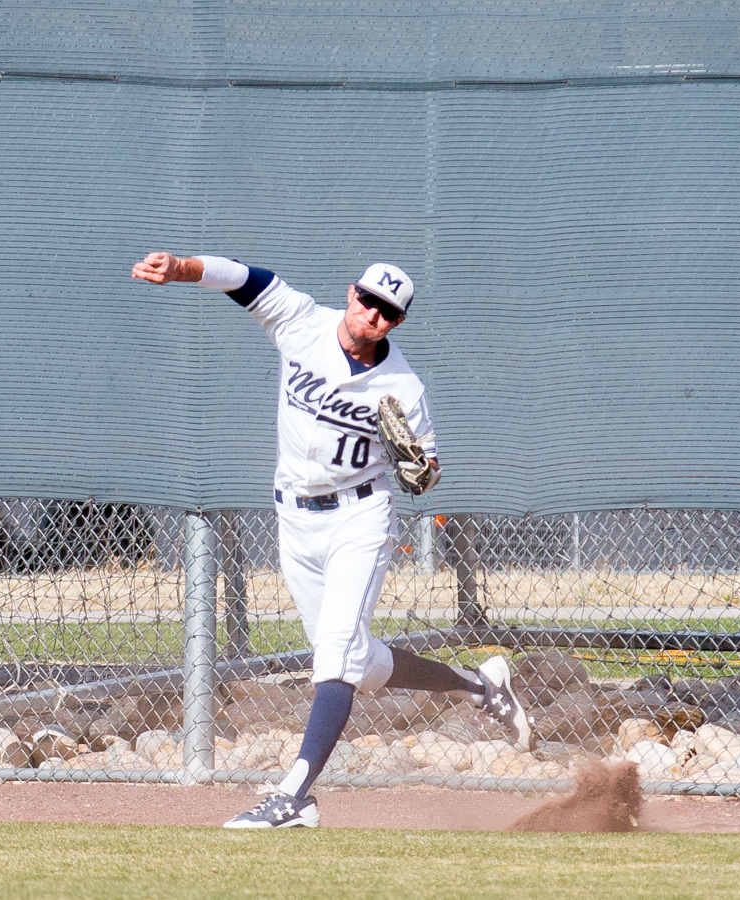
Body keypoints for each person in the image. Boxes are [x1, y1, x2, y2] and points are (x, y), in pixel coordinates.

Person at [131, 252, 532, 829]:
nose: (372, 315)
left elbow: (426, 471)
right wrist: (184, 267)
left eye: (386, 312)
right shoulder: (301, 322)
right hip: (294, 520)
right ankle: (479, 685)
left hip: (359, 521)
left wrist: (421, 470)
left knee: (336, 658)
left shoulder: (402, 386)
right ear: (351, 293)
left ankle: (294, 795)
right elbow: (247, 279)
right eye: (367, 300)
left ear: (397, 322)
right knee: (357, 665)